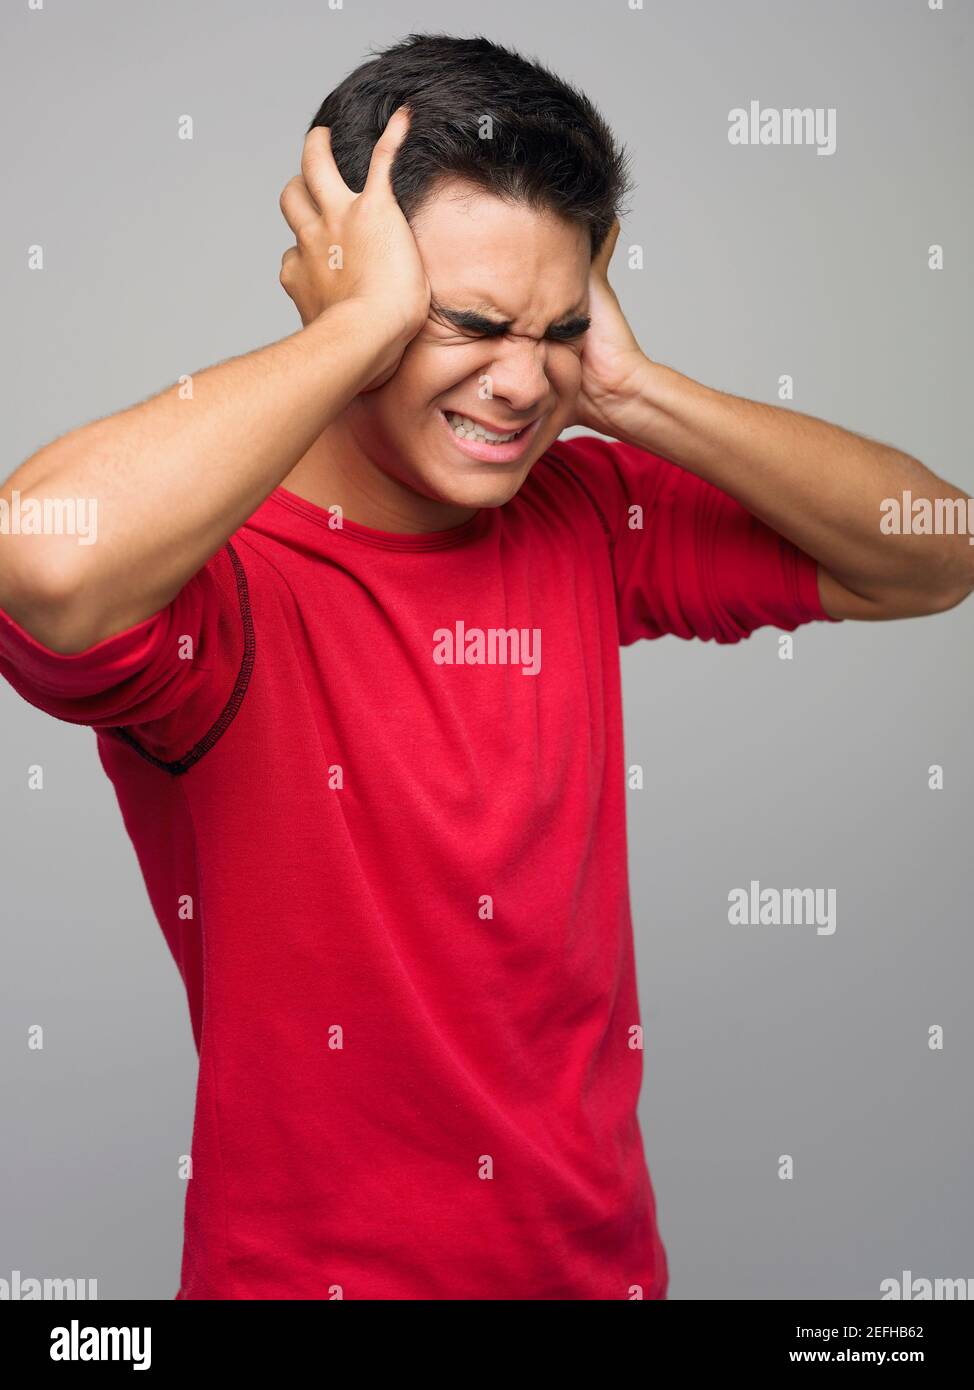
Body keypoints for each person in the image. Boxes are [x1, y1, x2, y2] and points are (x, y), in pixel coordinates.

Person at [0, 33, 970, 1301]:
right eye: (459, 322)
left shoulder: (582, 516)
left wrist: (633, 391)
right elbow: (43, 562)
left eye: (557, 328)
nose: (520, 384)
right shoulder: (217, 588)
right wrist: (353, 331)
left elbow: (933, 551)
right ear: (358, 293)